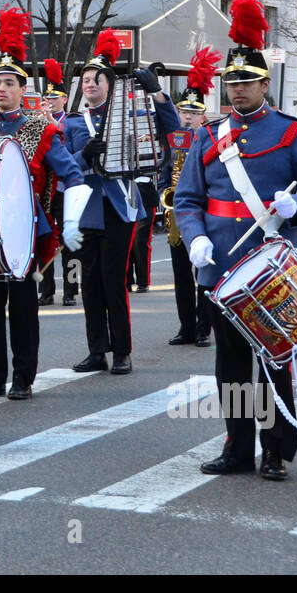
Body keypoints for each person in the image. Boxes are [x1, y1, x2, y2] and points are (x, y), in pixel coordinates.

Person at [174, 0, 297, 481]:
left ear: (265, 83)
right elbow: (188, 200)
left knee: (274, 359)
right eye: (232, 81)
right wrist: (195, 238)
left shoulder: (293, 132)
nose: (237, 89)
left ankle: (275, 449)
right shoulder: (209, 135)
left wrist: (295, 207)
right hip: (222, 265)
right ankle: (238, 448)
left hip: (271, 263)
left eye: (246, 81)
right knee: (231, 365)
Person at [0, 8, 87, 400]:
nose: (0, 89)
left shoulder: (43, 128)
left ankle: (23, 376)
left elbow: (73, 176)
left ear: (23, 90)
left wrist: (70, 222)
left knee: (21, 307)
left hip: (24, 230)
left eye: (8, 84)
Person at [65, 31, 178, 375]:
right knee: (90, 284)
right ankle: (96, 350)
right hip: (87, 211)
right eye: (85, 80)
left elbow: (171, 126)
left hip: (120, 207)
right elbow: (65, 165)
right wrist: (83, 155)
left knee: (114, 282)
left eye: (96, 80)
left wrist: (156, 90)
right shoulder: (71, 122)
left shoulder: (133, 114)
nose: (90, 85)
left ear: (110, 85)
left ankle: (122, 352)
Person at [164, 48, 219, 348]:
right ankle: (185, 326)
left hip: (204, 215)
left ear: (203, 116)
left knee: (205, 274)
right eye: (184, 111)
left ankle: (203, 328)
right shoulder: (173, 140)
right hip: (176, 216)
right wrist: (163, 190)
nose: (187, 116)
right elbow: (164, 169)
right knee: (181, 276)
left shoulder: (210, 139)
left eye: (193, 112)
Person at [37, 58, 78, 307]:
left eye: (55, 98)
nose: (50, 102)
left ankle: (72, 288)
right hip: (45, 191)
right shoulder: (37, 122)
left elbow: (73, 157)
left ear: (64, 99)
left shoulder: (73, 122)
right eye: (47, 98)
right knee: (45, 240)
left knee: (70, 242)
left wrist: (56, 130)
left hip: (64, 190)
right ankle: (46, 290)